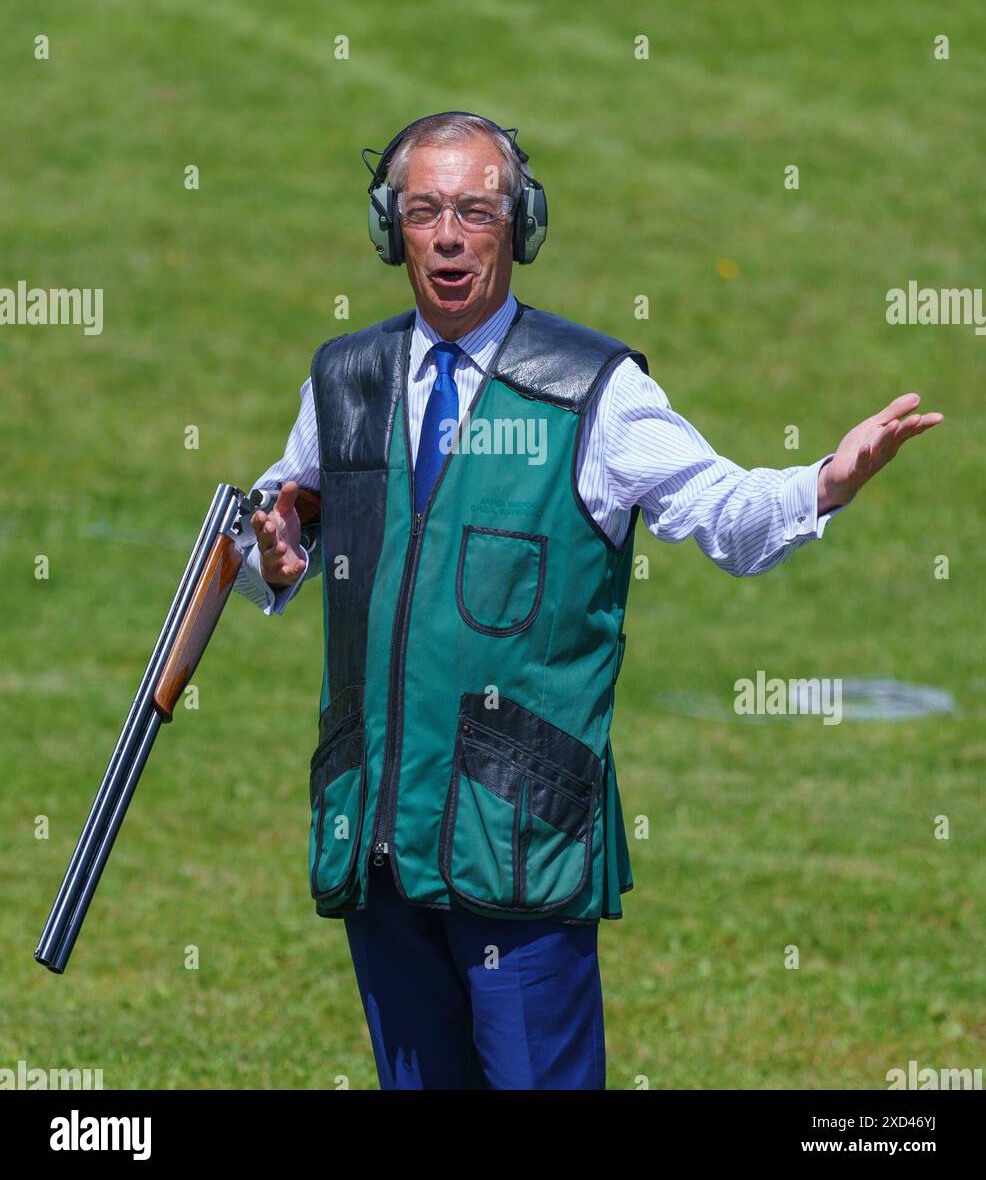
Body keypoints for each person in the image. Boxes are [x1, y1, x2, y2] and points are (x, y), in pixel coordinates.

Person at [233, 111, 942, 1090]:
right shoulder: (344, 380)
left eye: (474, 212)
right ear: (386, 226)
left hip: (517, 837)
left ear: (516, 226)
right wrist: (273, 555)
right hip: (380, 836)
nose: (447, 236)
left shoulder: (590, 390)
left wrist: (821, 480)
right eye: (422, 210)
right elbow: (282, 520)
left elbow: (717, 509)